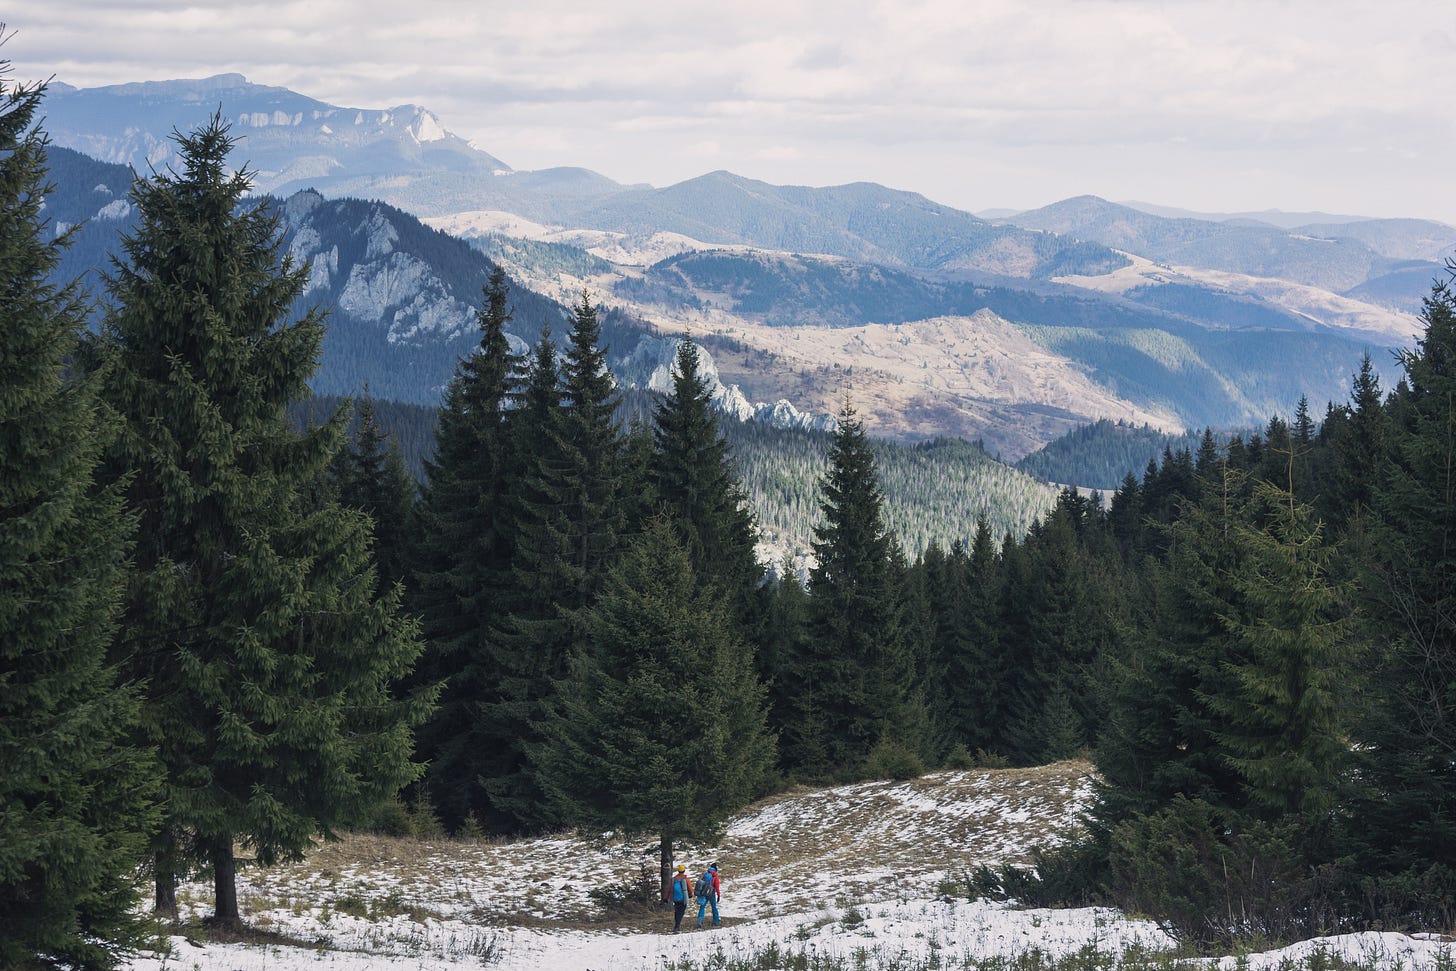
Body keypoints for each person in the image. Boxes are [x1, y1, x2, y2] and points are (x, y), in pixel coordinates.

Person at [668, 863, 693, 933]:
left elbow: (669, 889)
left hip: (675, 899)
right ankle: (677, 926)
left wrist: (667, 898)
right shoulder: (686, 879)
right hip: (683, 898)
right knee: (681, 912)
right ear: (684, 871)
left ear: (678, 871)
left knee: (677, 912)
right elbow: (690, 888)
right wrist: (690, 895)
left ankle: (676, 925)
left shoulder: (674, 879)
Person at [695, 862, 721, 927]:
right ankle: (716, 921)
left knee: (702, 907)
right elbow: (717, 887)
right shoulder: (715, 876)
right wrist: (718, 895)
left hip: (704, 893)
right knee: (714, 907)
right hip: (711, 894)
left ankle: (699, 921)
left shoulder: (706, 875)